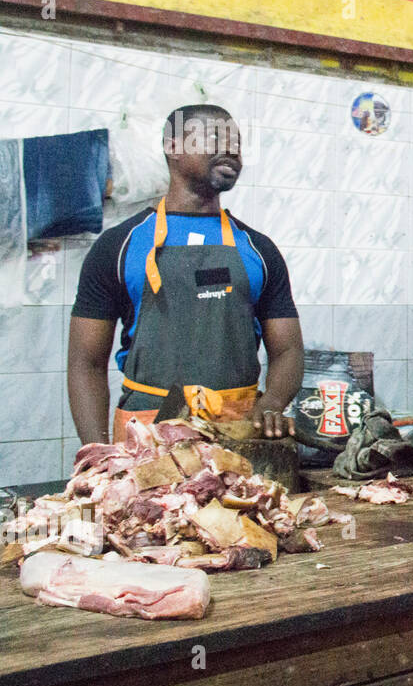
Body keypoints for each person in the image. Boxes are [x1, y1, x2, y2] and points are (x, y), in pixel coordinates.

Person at [68, 104, 303, 443]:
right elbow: (85, 362)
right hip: (146, 435)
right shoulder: (119, 245)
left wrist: (273, 403)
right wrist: (96, 451)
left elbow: (288, 351)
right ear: (173, 147)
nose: (231, 149)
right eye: (215, 137)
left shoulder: (259, 250)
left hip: (239, 433)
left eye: (237, 142)